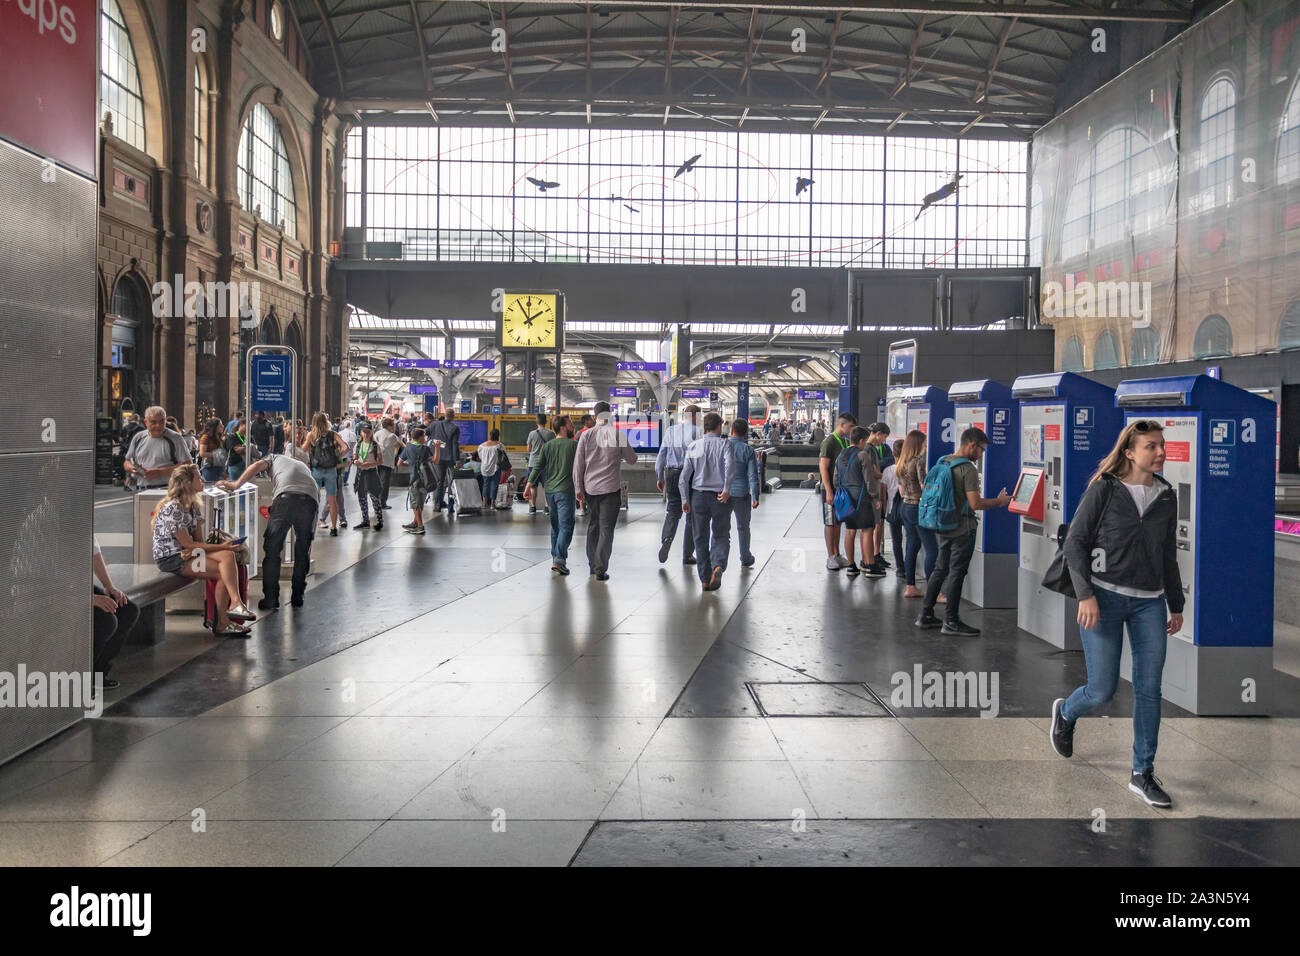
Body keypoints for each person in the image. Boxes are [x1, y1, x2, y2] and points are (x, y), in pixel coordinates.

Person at [1051, 419, 1184, 810]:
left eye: (1162, 446)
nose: (1160, 452)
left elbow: (1167, 555)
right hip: (1104, 599)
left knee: (1149, 689)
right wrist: (1085, 595)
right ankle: (1066, 711)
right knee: (1102, 689)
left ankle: (1142, 772)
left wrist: (1175, 604)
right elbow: (1075, 543)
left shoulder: (1166, 495)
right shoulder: (1104, 490)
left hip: (1149, 603)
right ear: (1129, 452)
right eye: (1151, 447)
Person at [914, 427, 1010, 636]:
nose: (981, 454)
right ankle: (951, 621)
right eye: (981, 450)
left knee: (940, 569)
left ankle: (926, 614)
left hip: (941, 523)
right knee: (957, 573)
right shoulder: (968, 469)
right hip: (961, 529)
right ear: (972, 445)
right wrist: (999, 502)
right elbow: (975, 504)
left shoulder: (943, 461)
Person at [152, 463, 253, 636]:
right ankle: (225, 619)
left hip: (188, 553)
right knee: (223, 569)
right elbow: (188, 545)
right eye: (198, 477)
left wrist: (219, 548)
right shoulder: (173, 508)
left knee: (227, 556)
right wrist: (219, 546)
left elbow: (197, 541)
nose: (203, 480)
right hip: (172, 558)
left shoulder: (192, 506)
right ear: (187, 483)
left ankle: (234, 606)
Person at [220, 450, 320, 610]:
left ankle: (271, 598)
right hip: (310, 499)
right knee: (303, 549)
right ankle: (298, 596)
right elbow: (315, 504)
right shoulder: (303, 468)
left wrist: (235, 484)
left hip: (285, 498)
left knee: (272, 549)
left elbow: (256, 465)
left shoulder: (274, 457)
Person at [573, 402, 637, 581]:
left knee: (593, 525)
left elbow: (578, 464)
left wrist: (578, 488)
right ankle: (600, 568)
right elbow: (632, 459)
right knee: (606, 528)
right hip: (610, 489)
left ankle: (593, 565)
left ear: (595, 417)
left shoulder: (586, 436)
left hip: (591, 489)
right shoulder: (618, 434)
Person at [679, 412, 733, 592]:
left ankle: (704, 579)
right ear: (718, 427)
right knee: (721, 534)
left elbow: (684, 477)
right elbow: (729, 467)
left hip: (698, 497)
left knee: (700, 538)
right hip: (720, 496)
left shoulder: (694, 446)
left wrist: (685, 499)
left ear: (705, 427)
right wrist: (726, 490)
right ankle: (718, 566)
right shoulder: (724, 444)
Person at [525, 415, 579, 575]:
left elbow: (537, 467)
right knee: (567, 526)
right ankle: (559, 560)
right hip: (565, 490)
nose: (573, 426)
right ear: (562, 428)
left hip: (550, 492)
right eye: (570, 424)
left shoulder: (547, 446)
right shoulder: (574, 445)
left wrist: (528, 486)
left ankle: (555, 557)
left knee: (556, 527)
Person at [655, 404, 702, 565]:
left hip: (672, 473)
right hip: (690, 476)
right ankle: (688, 555)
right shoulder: (697, 432)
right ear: (695, 416)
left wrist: (660, 477)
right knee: (691, 514)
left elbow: (661, 456)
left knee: (672, 511)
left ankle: (667, 538)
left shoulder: (671, 431)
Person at [836, 427, 885, 578]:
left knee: (850, 531)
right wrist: (876, 498)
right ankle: (870, 565)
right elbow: (869, 480)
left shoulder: (841, 455)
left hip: (846, 498)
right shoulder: (862, 455)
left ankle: (851, 566)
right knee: (867, 530)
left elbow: (835, 478)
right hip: (862, 498)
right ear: (862, 441)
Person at [91, 535, 138, 689]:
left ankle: (97, 675)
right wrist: (90, 598)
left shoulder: (83, 520)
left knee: (127, 610)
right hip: (55, 592)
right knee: (106, 621)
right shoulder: (54, 523)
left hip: (78, 587)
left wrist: (109, 587)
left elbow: (94, 553)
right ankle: (81, 676)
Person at [896, 429, 938, 599]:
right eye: (924, 443)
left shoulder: (901, 463)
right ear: (918, 444)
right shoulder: (918, 462)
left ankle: (910, 586)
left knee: (911, 547)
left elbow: (900, 490)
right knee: (932, 549)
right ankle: (934, 593)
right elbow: (924, 486)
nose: (926, 446)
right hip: (918, 508)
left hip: (905, 507)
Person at [819, 412, 856, 571]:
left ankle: (837, 553)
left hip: (840, 489)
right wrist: (828, 490)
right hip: (830, 489)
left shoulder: (844, 442)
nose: (852, 429)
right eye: (851, 426)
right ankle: (830, 556)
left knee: (837, 522)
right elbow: (823, 467)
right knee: (830, 522)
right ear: (842, 425)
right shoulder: (829, 442)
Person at [302, 412, 349, 536]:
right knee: (332, 500)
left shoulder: (311, 435)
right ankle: (333, 528)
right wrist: (338, 458)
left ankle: (312, 527)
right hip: (331, 470)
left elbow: (303, 450)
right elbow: (346, 447)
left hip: (316, 471)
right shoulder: (333, 434)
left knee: (314, 500)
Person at [123, 406, 191, 490]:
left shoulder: (175, 438)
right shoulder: (138, 437)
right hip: (141, 488)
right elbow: (127, 461)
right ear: (146, 422)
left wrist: (160, 472)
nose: (158, 426)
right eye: (153, 422)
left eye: (162, 421)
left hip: (167, 489)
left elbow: (188, 464)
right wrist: (132, 468)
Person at [727, 419, 761, 568]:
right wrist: (755, 496)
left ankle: (718, 559)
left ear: (731, 431)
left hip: (723, 493)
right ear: (745, 433)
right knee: (743, 527)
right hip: (741, 493)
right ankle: (745, 557)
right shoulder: (748, 450)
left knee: (721, 528)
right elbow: (753, 475)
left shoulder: (723, 446)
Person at [866, 423, 894, 570]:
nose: (884, 440)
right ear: (877, 433)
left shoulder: (878, 449)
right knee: (870, 527)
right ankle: (869, 559)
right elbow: (873, 472)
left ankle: (874, 555)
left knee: (878, 524)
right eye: (884, 437)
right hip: (872, 493)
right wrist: (890, 477)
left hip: (876, 491)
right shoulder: (869, 449)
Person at [398, 428, 435, 535]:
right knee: (420, 501)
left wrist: (411, 464)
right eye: (424, 436)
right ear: (419, 437)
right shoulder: (426, 449)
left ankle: (420, 526)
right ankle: (415, 523)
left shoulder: (408, 448)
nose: (425, 438)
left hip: (414, 479)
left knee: (415, 503)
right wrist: (437, 448)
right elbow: (435, 460)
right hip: (426, 479)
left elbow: (399, 463)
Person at [351, 422, 384, 530]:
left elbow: (380, 461)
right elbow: (354, 457)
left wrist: (370, 464)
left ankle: (379, 520)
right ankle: (365, 520)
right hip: (360, 473)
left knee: (374, 497)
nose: (366, 434)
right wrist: (355, 461)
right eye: (364, 432)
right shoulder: (358, 445)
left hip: (371, 473)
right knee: (362, 497)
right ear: (360, 433)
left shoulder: (375, 445)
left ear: (371, 433)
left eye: (368, 432)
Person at [880, 438, 906, 577]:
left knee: (897, 540)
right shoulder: (908, 469)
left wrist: (884, 510)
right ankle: (909, 565)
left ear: (894, 454)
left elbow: (883, 493)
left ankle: (900, 568)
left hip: (891, 509)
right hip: (907, 508)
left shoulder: (887, 471)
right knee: (911, 539)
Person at [427, 410, 460, 513]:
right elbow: (455, 445)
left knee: (439, 482)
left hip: (437, 456)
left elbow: (427, 432)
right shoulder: (454, 428)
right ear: (453, 416)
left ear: (445, 415)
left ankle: (437, 506)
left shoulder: (435, 424)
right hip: (450, 458)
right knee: (451, 482)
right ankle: (451, 507)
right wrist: (457, 460)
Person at [525, 412, 555, 515]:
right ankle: (547, 508)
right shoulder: (551, 434)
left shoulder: (532, 433)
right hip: (547, 464)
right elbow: (553, 448)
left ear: (536, 422)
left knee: (533, 486)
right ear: (546, 422)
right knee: (546, 487)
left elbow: (529, 449)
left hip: (533, 463)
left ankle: (532, 507)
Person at [374, 417, 404, 510]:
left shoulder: (377, 433)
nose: (394, 427)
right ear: (389, 426)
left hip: (377, 460)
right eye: (393, 425)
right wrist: (395, 452)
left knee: (378, 481)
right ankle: (382, 503)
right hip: (387, 461)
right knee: (385, 483)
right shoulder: (392, 436)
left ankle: (377, 501)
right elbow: (401, 444)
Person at [478, 429, 505, 507]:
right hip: (496, 467)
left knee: (485, 484)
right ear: (498, 436)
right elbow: (503, 457)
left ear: (490, 435)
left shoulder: (482, 446)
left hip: (484, 467)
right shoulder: (500, 445)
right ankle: (492, 504)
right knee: (494, 485)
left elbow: (480, 457)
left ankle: (484, 503)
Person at [197, 419, 226, 483]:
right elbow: (202, 453)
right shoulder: (206, 437)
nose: (223, 426)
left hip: (219, 465)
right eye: (220, 426)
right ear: (214, 427)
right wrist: (216, 454)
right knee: (212, 485)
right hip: (209, 466)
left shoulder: (219, 437)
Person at [224, 417, 248, 482]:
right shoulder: (232, 437)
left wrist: (243, 447)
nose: (249, 428)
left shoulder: (248, 437)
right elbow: (237, 450)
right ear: (241, 425)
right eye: (247, 425)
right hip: (235, 465)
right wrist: (248, 448)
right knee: (235, 485)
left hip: (246, 465)